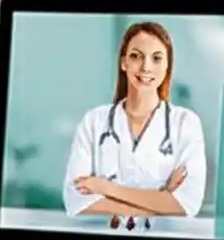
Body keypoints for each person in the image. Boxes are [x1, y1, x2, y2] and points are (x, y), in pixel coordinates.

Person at [62, 21, 207, 229]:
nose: (146, 67)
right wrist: (161, 197)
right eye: (136, 56)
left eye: (156, 58)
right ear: (123, 63)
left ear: (167, 66)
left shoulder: (186, 124)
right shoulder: (94, 121)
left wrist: (106, 188)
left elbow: (187, 205)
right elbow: (76, 202)